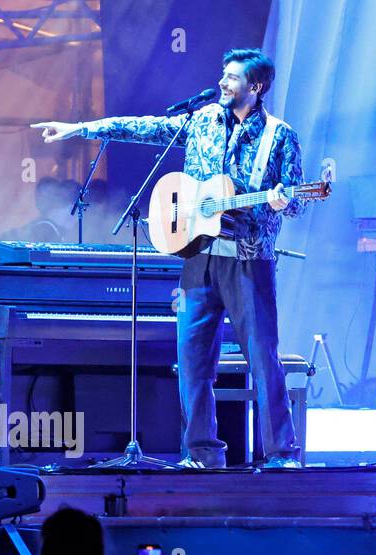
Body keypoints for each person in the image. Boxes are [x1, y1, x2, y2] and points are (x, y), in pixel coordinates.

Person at [34, 47, 309, 469]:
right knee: (193, 360)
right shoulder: (200, 122)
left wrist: (280, 202)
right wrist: (80, 129)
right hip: (198, 257)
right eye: (223, 73)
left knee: (261, 357)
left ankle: (280, 453)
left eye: (232, 77)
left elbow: (296, 200)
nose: (222, 82)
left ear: (255, 87)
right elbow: (143, 129)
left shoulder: (280, 136)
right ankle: (201, 452)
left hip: (248, 260)